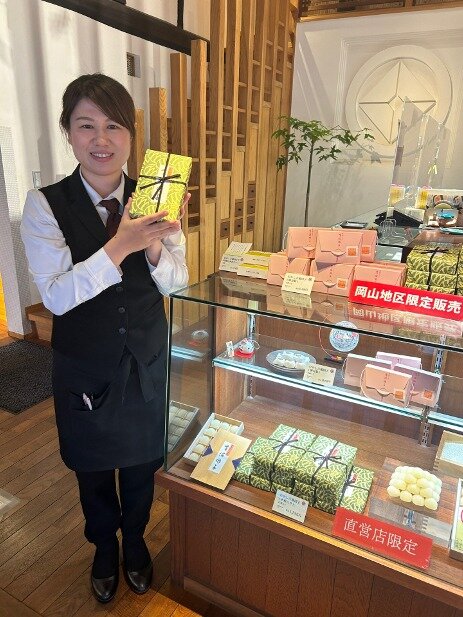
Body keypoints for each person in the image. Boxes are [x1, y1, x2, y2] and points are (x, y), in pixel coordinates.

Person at [20, 73, 189, 603]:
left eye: (114, 126)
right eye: (86, 125)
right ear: (68, 133)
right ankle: (103, 546)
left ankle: (135, 540)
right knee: (92, 470)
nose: (101, 139)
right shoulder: (45, 204)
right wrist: (121, 244)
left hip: (145, 361)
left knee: (142, 464)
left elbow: (178, 281)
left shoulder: (155, 194)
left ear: (131, 136)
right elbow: (55, 296)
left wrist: (155, 246)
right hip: (85, 365)